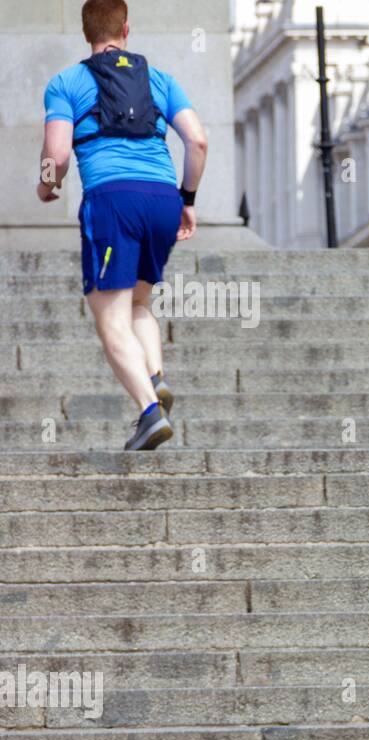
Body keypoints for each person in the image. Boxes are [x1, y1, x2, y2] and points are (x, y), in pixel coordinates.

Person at [38, 0, 207, 451]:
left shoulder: (66, 82)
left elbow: (55, 157)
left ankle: (149, 412)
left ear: (86, 33)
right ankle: (155, 376)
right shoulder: (160, 79)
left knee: (109, 317)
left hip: (113, 202)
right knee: (138, 301)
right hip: (162, 200)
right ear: (126, 29)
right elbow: (198, 141)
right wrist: (186, 200)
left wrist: (46, 186)